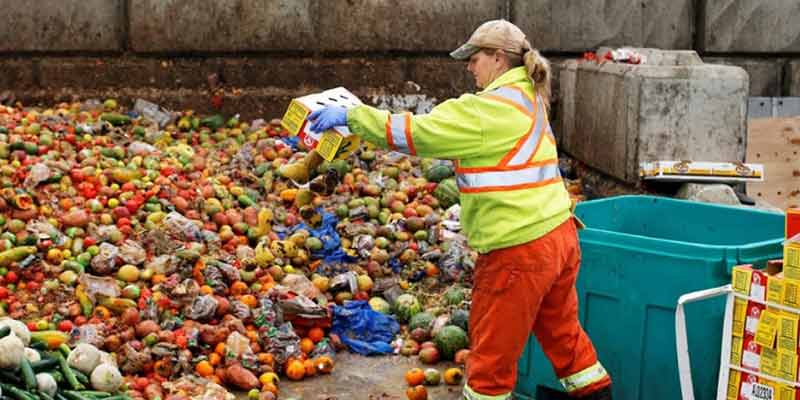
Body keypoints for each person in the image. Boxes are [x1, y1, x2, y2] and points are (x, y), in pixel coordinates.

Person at [309, 19, 612, 400]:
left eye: (474, 58)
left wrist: (353, 117)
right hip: (560, 236)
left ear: (498, 59)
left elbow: (417, 132)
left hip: (518, 250)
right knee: (564, 338)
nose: (469, 67)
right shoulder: (528, 96)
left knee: (490, 364)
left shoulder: (486, 110)